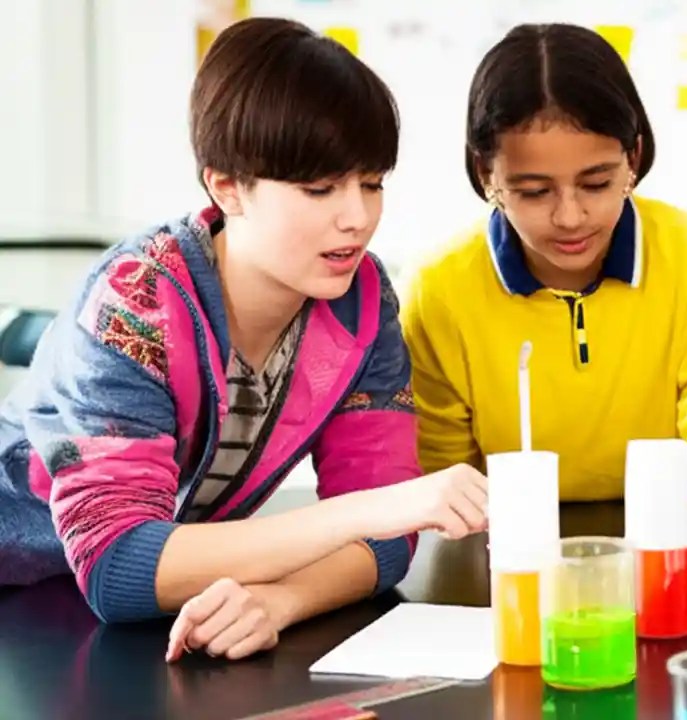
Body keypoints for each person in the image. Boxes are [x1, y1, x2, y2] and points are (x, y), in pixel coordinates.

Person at [0, 18, 489, 661]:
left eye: (371, 183)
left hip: (160, 596)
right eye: (320, 189)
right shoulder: (136, 302)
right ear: (226, 186)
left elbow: (388, 540)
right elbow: (119, 566)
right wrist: (381, 509)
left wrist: (281, 601)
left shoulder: (361, 302)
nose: (358, 216)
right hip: (25, 590)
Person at [399, 23, 687, 609]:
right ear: (486, 175)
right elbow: (443, 483)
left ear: (634, 159)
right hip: (511, 572)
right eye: (534, 192)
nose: (571, 217)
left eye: (597, 182)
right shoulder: (441, 290)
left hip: (667, 556)